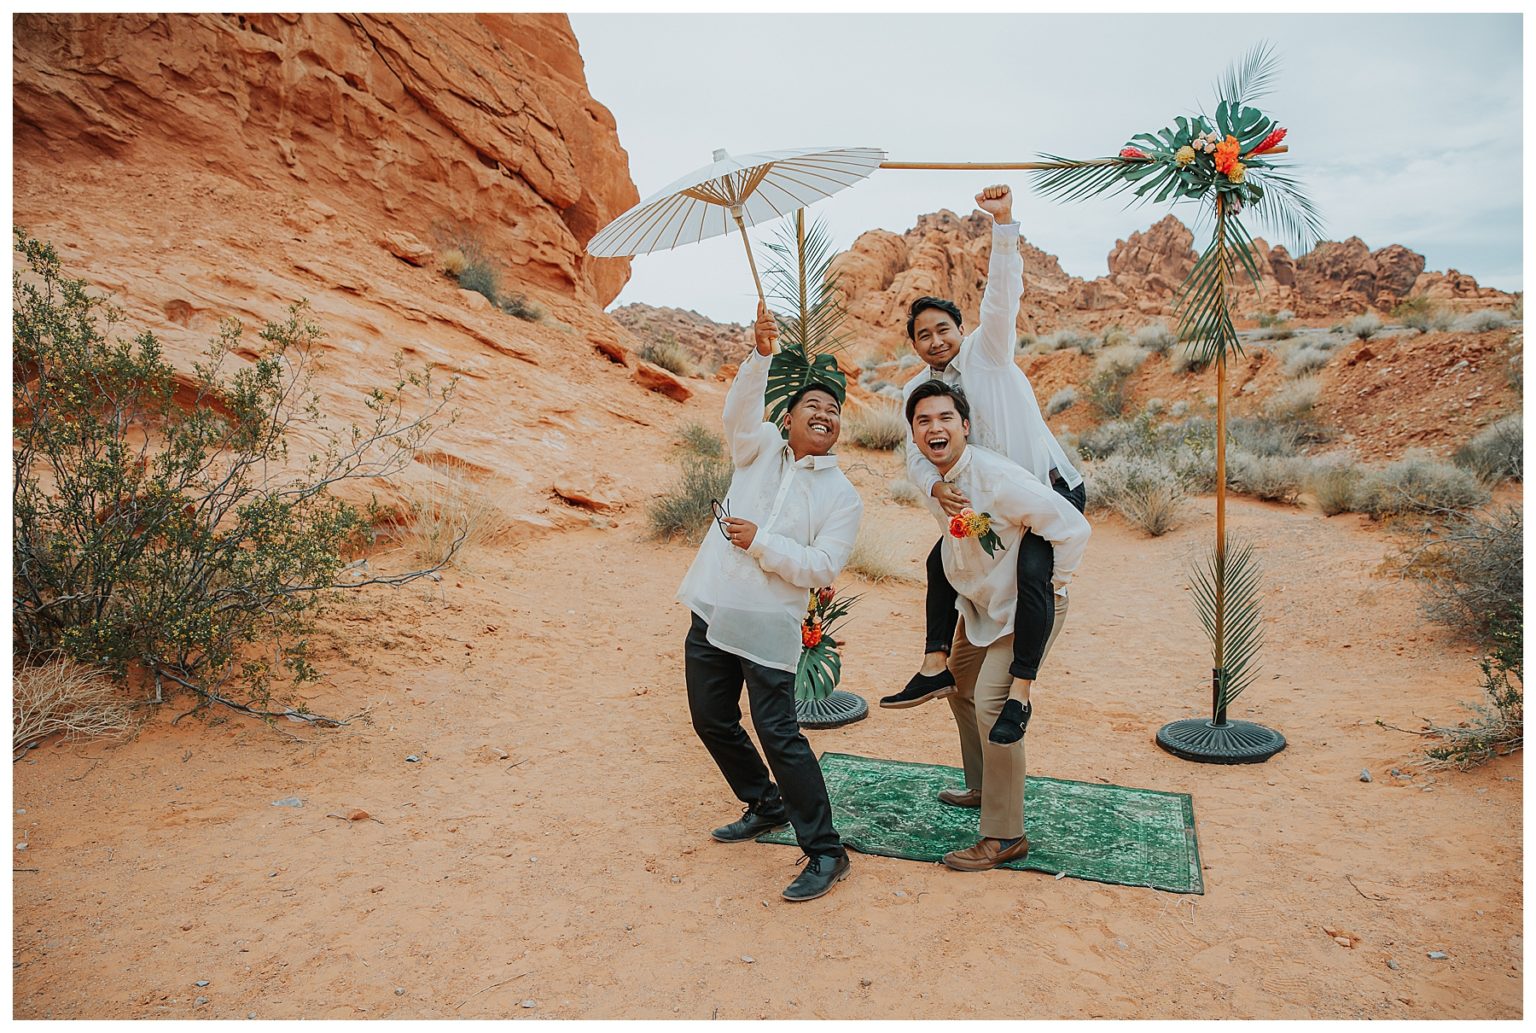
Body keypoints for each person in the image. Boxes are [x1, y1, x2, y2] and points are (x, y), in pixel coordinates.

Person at [880, 184, 1086, 744]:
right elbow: (913, 455)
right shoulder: (917, 391)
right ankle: (933, 667)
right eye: (923, 335)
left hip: (1048, 492)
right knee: (939, 562)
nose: (934, 340)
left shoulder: (988, 351)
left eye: (942, 329)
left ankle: (1021, 692)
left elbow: (1001, 296)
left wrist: (1003, 225)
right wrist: (934, 488)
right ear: (916, 346)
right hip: (985, 506)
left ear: (959, 329)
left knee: (1033, 574)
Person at [675, 300, 863, 902]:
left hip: (768, 624)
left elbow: (822, 567)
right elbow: (737, 413)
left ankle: (826, 851)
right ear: (787, 419)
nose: (825, 414)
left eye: (833, 411)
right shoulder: (755, 450)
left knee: (779, 730)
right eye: (813, 405)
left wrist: (762, 543)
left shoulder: (843, 497)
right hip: (714, 606)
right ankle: (765, 802)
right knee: (711, 717)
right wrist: (759, 356)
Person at [905, 380, 1090, 870]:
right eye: (923, 421)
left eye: (945, 418)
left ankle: (1005, 834)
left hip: (1027, 611)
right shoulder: (936, 477)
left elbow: (1074, 527)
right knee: (959, 685)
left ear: (966, 426)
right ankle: (984, 786)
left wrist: (1050, 586)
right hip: (982, 604)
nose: (934, 428)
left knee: (992, 702)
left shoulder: (998, 478)